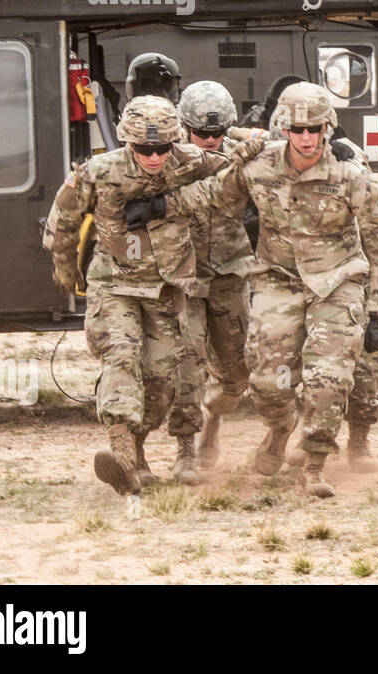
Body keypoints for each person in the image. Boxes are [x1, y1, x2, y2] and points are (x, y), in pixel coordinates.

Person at [134, 82, 378, 498]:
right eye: (298, 129)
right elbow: (211, 192)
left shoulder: (349, 173)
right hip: (279, 284)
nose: (307, 138)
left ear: (328, 128)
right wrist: (160, 206)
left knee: (328, 378)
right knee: (268, 383)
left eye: (316, 128)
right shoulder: (259, 165)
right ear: (284, 129)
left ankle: (315, 464)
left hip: (337, 284)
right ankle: (279, 430)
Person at [42, 96, 244, 497]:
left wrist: (259, 142)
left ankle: (135, 447)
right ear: (126, 142)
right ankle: (121, 452)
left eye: (161, 148)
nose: (153, 156)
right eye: (144, 149)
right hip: (115, 285)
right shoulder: (99, 172)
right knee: (121, 354)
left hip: (165, 289)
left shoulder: (190, 161)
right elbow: (61, 222)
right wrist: (66, 271)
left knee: (162, 379)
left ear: (174, 141)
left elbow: (237, 174)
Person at [165, 80, 255, 480]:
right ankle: (186, 449)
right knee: (187, 365)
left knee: (237, 374)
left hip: (230, 276)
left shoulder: (243, 158)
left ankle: (214, 419)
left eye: (218, 132)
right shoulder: (164, 160)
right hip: (183, 279)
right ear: (185, 128)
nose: (210, 140)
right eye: (201, 133)